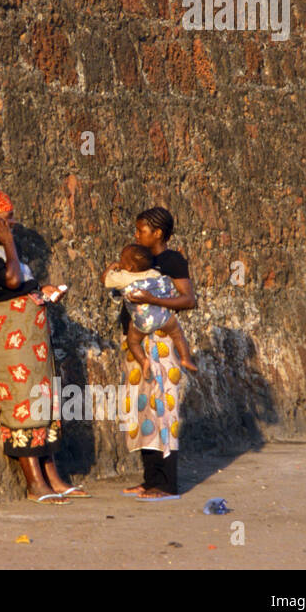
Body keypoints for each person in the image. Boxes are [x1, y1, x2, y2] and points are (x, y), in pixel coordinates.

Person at [0, 188, 87, 504]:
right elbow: (13, 282)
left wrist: (43, 291)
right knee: (22, 404)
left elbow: (23, 285)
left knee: (43, 400)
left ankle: (53, 476)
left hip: (31, 339)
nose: (13, 223)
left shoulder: (2, 248)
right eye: (7, 217)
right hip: (8, 338)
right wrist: (8, 244)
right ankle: (35, 483)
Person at [115, 207, 197, 501]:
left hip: (160, 342)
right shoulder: (137, 259)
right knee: (142, 410)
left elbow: (188, 300)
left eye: (142, 231)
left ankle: (167, 484)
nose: (137, 235)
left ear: (158, 233)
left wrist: (152, 299)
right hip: (136, 343)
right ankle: (150, 479)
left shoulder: (171, 260)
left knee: (164, 407)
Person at [103, 243, 196, 375]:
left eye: (121, 259)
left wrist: (112, 267)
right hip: (163, 317)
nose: (119, 261)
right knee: (177, 333)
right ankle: (186, 358)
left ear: (129, 267)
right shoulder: (154, 273)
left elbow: (104, 279)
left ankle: (143, 361)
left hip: (143, 322)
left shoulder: (122, 277)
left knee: (133, 341)